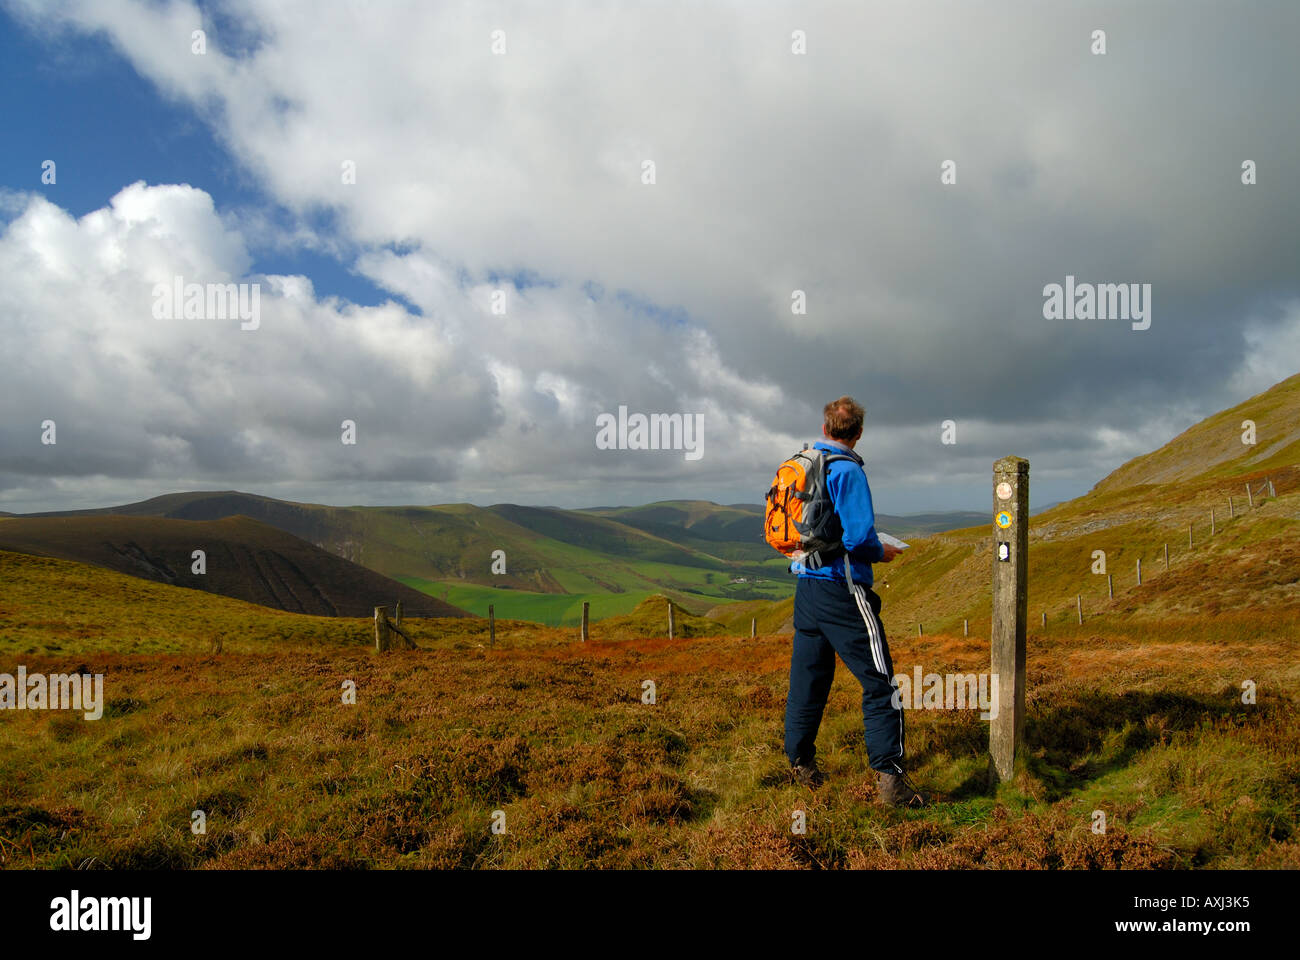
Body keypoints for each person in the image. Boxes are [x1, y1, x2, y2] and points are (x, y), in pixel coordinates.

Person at [783, 396, 929, 807]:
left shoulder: (804, 463)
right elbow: (857, 538)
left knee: (807, 681)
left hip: (806, 588)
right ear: (859, 432)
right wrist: (879, 551)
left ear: (826, 427)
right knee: (881, 684)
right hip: (843, 591)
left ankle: (800, 765)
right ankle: (892, 783)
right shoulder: (847, 470)